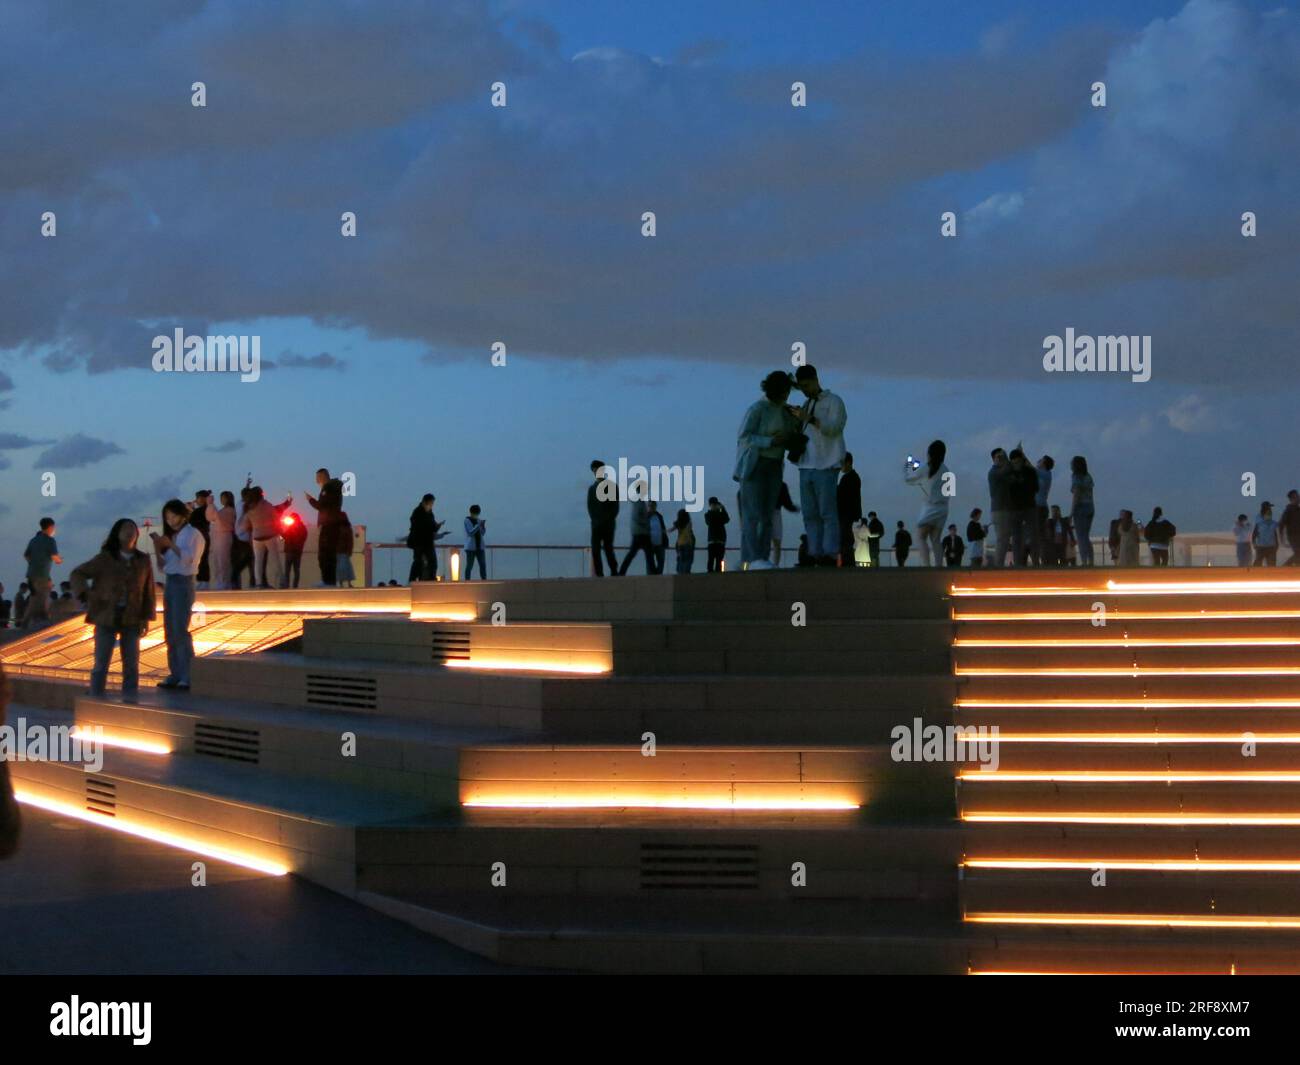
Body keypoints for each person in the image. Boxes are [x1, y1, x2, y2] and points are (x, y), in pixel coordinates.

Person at [70, 519, 156, 698]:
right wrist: (85, 595)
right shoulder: (105, 558)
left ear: (137, 534)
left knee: (131, 665)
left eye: (132, 528)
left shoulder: (143, 560)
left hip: (132, 618)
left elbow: (148, 591)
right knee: (101, 664)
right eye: (125, 528)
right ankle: (96, 698)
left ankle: (130, 702)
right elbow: (77, 573)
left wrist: (146, 617)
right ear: (117, 533)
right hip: (105, 616)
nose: (129, 531)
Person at [734, 371, 798, 571]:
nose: (787, 395)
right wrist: (770, 441)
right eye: (784, 391)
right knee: (753, 514)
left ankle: (759, 557)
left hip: (775, 465)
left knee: (767, 515)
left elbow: (791, 435)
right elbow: (744, 437)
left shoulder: (785, 411)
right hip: (755, 465)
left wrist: (791, 435)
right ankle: (753, 558)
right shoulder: (757, 409)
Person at [790, 365, 848, 567]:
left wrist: (811, 419)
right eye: (801, 387)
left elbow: (834, 428)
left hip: (826, 464)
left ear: (815, 380)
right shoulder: (806, 404)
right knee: (810, 513)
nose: (805, 390)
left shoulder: (834, 402)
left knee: (826, 512)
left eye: (806, 385)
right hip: (806, 464)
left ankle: (830, 553)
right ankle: (815, 552)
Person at [151, 499, 203, 691]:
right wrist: (159, 547)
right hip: (171, 582)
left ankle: (187, 675)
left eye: (173, 515)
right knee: (170, 630)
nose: (171, 520)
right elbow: (163, 566)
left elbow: (189, 560)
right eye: (167, 517)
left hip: (183, 582)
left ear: (182, 514)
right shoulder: (175, 535)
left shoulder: (193, 533)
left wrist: (170, 545)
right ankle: (175, 673)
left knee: (180, 629)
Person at [903, 440, 949, 567]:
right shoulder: (948, 471)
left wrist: (909, 464)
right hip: (943, 509)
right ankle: (939, 567)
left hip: (930, 507)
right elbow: (950, 493)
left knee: (920, 537)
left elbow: (909, 479)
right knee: (935, 540)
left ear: (930, 454)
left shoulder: (926, 468)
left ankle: (926, 566)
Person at [239, 486, 291, 588]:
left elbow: (244, 526)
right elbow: (276, 517)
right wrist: (280, 531)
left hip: (257, 537)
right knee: (275, 560)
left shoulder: (249, 508)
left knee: (258, 561)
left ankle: (258, 583)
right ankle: (282, 582)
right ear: (261, 494)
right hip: (270, 535)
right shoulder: (267, 505)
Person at [305, 467, 345, 586]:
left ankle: (327, 581)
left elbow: (321, 506)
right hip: (334, 525)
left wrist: (310, 499)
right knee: (330, 554)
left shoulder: (328, 488)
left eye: (317, 478)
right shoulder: (336, 488)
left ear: (322, 477)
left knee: (324, 555)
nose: (316, 481)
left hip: (328, 525)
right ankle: (330, 581)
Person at [21, 518, 62, 629]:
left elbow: (26, 555)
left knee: (35, 599)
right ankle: (42, 622)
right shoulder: (50, 541)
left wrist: (33, 563)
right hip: (42, 575)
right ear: (50, 527)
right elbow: (55, 557)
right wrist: (59, 560)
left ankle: (25, 623)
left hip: (31, 575)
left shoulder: (33, 540)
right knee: (42, 599)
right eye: (53, 528)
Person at [1005, 449, 1039, 567]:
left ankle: (1032, 562)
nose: (1016, 464)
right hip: (1019, 507)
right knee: (1018, 537)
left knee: (1028, 536)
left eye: (1017, 461)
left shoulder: (1027, 472)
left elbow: (1035, 488)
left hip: (1026, 506)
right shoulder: (1016, 473)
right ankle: (1020, 563)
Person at [587, 461, 620, 578]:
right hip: (596, 525)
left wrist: (608, 519)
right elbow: (590, 507)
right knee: (595, 550)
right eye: (595, 471)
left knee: (608, 549)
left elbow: (615, 507)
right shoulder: (591, 489)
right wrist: (595, 520)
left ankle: (614, 571)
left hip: (608, 524)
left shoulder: (611, 486)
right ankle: (599, 573)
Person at [618, 482, 655, 576]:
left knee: (636, 554)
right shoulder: (639, 502)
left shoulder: (639, 501)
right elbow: (637, 517)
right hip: (641, 533)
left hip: (639, 532)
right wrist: (646, 523)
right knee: (647, 554)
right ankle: (654, 574)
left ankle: (622, 572)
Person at [407, 494, 445, 582]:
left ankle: (431, 579)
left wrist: (437, 526)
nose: (431, 505)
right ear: (425, 502)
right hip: (419, 541)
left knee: (432, 562)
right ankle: (413, 580)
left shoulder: (430, 513)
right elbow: (417, 526)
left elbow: (432, 526)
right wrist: (433, 527)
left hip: (427, 541)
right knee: (418, 562)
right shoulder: (417, 512)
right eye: (431, 503)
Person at [837, 452, 863, 568]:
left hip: (845, 512)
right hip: (850, 512)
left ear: (848, 463)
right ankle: (848, 561)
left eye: (842, 463)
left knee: (845, 537)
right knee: (846, 536)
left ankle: (847, 562)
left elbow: (842, 496)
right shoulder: (854, 477)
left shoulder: (848, 478)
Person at [206, 491, 237, 589]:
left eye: (223, 498)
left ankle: (224, 583)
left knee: (223, 561)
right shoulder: (225, 510)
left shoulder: (229, 510)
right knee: (218, 560)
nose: (221, 500)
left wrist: (211, 504)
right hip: (219, 537)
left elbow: (215, 517)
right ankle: (221, 582)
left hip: (224, 537)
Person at [987, 448, 1012, 568]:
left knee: (1004, 539)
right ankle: (998, 566)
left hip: (1002, 509)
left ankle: (999, 565)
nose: (1002, 459)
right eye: (999, 457)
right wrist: (1007, 458)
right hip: (999, 510)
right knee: (1002, 539)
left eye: (1002, 457)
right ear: (993, 459)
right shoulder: (994, 472)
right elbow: (1007, 469)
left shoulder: (1001, 472)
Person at [1069, 456, 1096, 567]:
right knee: (1086, 536)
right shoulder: (1088, 476)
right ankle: (1091, 560)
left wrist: (1071, 513)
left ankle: (1084, 561)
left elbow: (1076, 495)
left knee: (1081, 537)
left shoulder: (1076, 477)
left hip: (1080, 508)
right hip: (1090, 507)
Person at [771, 482, 798, 566]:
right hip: (775, 512)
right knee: (777, 542)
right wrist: (794, 508)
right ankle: (775, 565)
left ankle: (760, 563)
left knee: (764, 541)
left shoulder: (760, 481)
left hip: (762, 512)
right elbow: (787, 503)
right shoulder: (781, 485)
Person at [1033, 456, 1054, 565]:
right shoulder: (1045, 475)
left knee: (1039, 536)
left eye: (1040, 460)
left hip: (1039, 508)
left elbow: (1031, 468)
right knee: (1040, 536)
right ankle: (1043, 560)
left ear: (1044, 463)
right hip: (1041, 507)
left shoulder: (1045, 474)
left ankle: (1042, 560)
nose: (1038, 461)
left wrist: (1022, 454)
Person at [189, 491, 213, 589]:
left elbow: (191, 520)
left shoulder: (202, 510)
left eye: (198, 498)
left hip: (202, 537)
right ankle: (203, 580)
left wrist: (191, 509)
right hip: (203, 536)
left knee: (202, 559)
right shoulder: (205, 509)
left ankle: (204, 581)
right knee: (201, 559)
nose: (197, 500)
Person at [705, 497, 729, 573]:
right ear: (710, 505)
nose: (714, 506)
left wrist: (722, 509)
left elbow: (727, 519)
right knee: (711, 560)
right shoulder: (708, 514)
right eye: (713, 504)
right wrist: (719, 510)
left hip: (720, 541)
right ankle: (710, 575)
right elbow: (710, 521)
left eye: (715, 504)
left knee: (719, 560)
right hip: (712, 541)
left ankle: (717, 577)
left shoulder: (720, 513)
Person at [463, 505, 487, 580]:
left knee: (483, 565)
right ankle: (467, 581)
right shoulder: (467, 520)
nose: (477, 515)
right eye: (476, 513)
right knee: (469, 566)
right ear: (471, 513)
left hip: (480, 546)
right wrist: (478, 526)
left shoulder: (478, 520)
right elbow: (470, 533)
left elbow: (482, 533)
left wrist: (483, 526)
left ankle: (484, 580)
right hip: (470, 548)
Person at [646, 501, 668, 575]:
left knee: (661, 562)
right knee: (650, 563)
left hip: (660, 544)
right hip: (650, 544)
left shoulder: (659, 516)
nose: (651, 507)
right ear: (647, 507)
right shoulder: (645, 517)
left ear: (655, 507)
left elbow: (663, 529)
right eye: (650, 506)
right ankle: (651, 579)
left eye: (653, 506)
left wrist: (665, 540)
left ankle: (658, 577)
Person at [337, 511, 357, 586]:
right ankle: (348, 583)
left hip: (340, 551)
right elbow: (350, 540)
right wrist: (349, 551)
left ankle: (341, 583)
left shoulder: (336, 528)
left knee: (340, 568)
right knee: (346, 567)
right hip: (344, 551)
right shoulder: (347, 528)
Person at [673, 510, 696, 574]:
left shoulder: (678, 524)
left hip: (679, 544)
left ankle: (680, 574)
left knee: (681, 559)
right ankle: (685, 574)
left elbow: (671, 530)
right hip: (687, 544)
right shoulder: (688, 523)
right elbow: (688, 533)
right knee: (688, 559)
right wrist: (691, 542)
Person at [1281, 490, 1300, 567]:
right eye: (1297, 496)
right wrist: (1282, 539)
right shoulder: (1289, 510)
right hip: (1293, 536)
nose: (1299, 497)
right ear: (1292, 498)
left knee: (1298, 554)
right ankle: (1285, 567)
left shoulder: (1298, 509)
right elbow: (1281, 524)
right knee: (1298, 553)